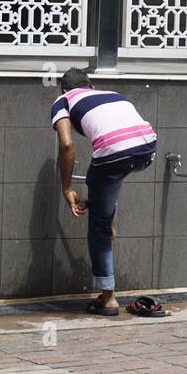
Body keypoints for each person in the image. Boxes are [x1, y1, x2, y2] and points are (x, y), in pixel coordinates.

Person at [51, 68, 160, 316]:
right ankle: (106, 213)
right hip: (147, 148)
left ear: (65, 89)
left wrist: (66, 187)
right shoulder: (113, 94)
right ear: (91, 85)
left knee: (98, 220)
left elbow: (66, 144)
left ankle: (108, 299)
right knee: (104, 181)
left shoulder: (63, 100)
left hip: (113, 152)